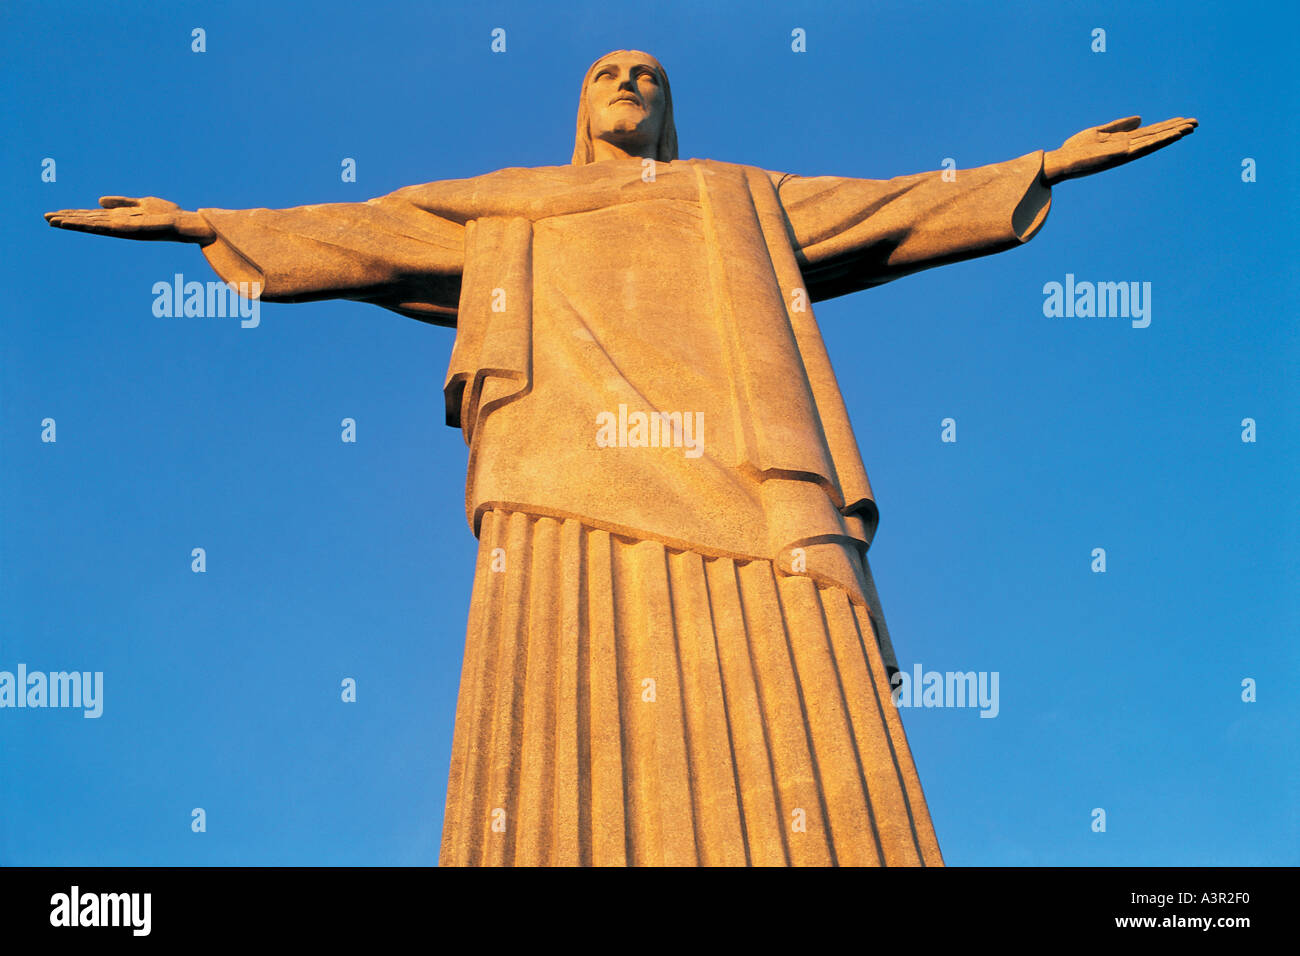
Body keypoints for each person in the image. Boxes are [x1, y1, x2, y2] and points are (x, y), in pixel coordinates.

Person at [45, 50, 1196, 866]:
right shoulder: (515, 199)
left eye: (649, 74)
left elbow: (888, 208)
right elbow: (365, 228)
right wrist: (203, 222)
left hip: (745, 472)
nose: (630, 82)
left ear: (669, 112)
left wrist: (1040, 164)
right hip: (558, 466)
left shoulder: (732, 194)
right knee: (558, 697)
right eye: (608, 72)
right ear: (581, 105)